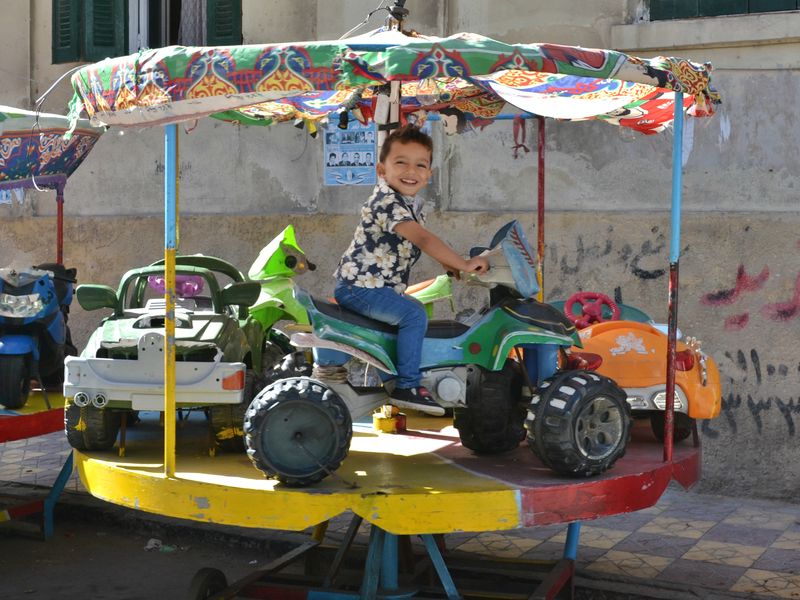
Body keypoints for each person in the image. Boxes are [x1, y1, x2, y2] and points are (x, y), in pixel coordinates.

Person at [333, 125, 489, 415]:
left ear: (429, 173)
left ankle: (395, 375)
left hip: (373, 288)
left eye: (420, 165)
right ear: (382, 169)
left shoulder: (409, 205)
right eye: (401, 162)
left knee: (413, 308)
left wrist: (449, 265)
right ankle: (407, 384)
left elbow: (417, 242)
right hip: (361, 288)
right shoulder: (386, 202)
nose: (411, 171)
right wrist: (463, 263)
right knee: (414, 314)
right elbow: (424, 239)